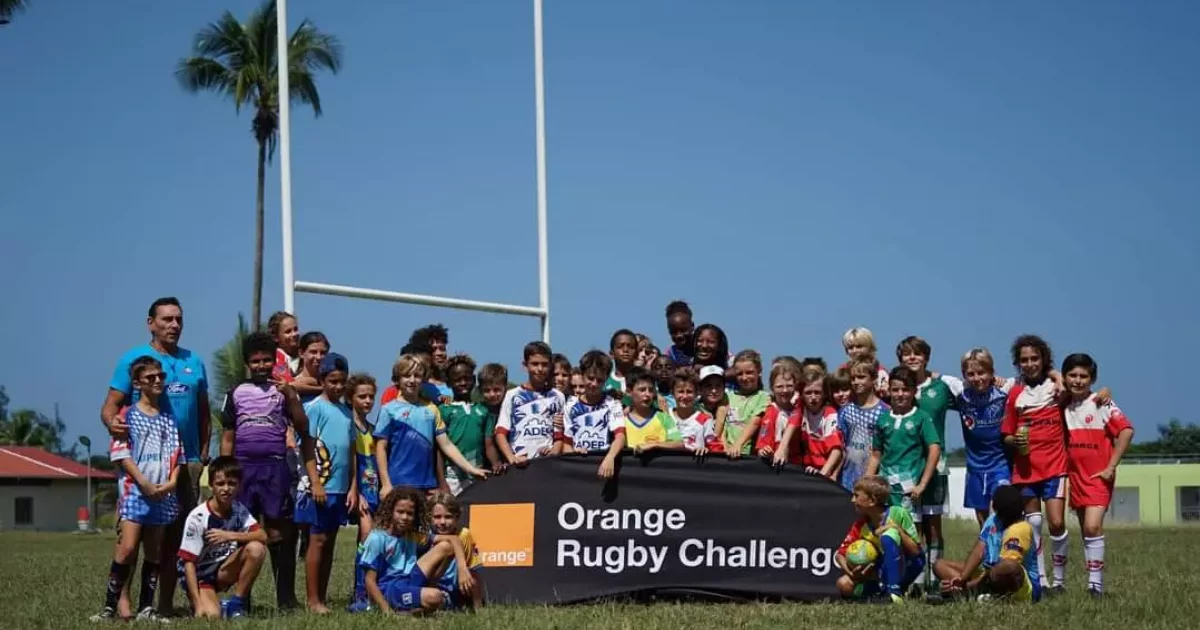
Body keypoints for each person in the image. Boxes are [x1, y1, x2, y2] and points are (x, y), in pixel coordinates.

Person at [100, 296, 210, 615]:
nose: (174, 325)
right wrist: (113, 423)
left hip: (184, 464)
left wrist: (202, 453)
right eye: (166, 319)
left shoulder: (195, 361)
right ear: (151, 323)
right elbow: (109, 406)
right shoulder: (133, 359)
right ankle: (121, 603)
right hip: (142, 468)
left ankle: (162, 606)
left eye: (178, 319)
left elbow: (203, 411)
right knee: (132, 539)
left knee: (174, 539)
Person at [219, 331, 316, 610]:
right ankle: (242, 598)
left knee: (280, 532)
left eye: (266, 360)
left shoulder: (282, 390)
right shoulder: (235, 391)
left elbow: (302, 426)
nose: (262, 365)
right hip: (243, 470)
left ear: (274, 360)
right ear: (247, 362)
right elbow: (228, 435)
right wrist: (226, 471)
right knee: (242, 531)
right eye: (256, 361)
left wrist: (292, 395)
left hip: (275, 468)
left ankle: (285, 597)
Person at [91, 356, 182, 622]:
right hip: (136, 492)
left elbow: (178, 454)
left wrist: (172, 482)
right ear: (137, 383)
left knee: (154, 550)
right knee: (128, 548)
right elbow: (121, 454)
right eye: (150, 378)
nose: (157, 382)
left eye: (160, 377)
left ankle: (146, 608)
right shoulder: (126, 416)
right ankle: (109, 607)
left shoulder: (168, 419)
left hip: (163, 493)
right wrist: (142, 481)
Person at [1061, 353, 1133, 597]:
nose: (1078, 380)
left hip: (1098, 477)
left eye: (1084, 376)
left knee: (1093, 527)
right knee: (1085, 532)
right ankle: (1093, 584)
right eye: (1072, 375)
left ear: (1092, 379)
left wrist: (1111, 467)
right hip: (1076, 478)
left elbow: (1126, 431)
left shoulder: (1101, 403)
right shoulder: (1064, 405)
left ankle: (1096, 587)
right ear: (1065, 377)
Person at [1001, 335, 1068, 592]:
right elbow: (1005, 434)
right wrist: (1014, 441)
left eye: (1034, 358)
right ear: (1018, 363)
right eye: (1024, 360)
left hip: (1054, 466)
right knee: (1034, 525)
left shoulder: (1056, 388)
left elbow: (1083, 391)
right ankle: (1040, 578)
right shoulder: (1016, 393)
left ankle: (1060, 580)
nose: (1029, 364)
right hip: (1026, 469)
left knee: (1056, 523)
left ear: (1044, 360)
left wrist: (1058, 376)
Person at [866, 366, 942, 591]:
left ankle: (913, 585)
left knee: (911, 538)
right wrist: (867, 483)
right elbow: (876, 454)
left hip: (910, 492)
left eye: (905, 390)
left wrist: (922, 484)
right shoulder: (883, 420)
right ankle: (887, 582)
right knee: (886, 536)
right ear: (889, 390)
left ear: (913, 392)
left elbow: (934, 449)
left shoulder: (921, 417)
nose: (900, 395)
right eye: (895, 390)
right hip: (886, 492)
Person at [295, 353, 357, 613]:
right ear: (322, 380)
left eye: (342, 382)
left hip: (341, 489)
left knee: (330, 541)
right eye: (332, 381)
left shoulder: (345, 411)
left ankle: (322, 595)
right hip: (321, 487)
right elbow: (307, 449)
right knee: (317, 541)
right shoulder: (315, 408)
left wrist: (353, 487)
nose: (338, 387)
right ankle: (312, 600)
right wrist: (315, 483)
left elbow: (351, 452)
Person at [376, 354, 489, 496]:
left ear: (423, 379)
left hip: (427, 485)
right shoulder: (388, 410)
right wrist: (386, 484)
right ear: (397, 379)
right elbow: (381, 448)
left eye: (417, 376)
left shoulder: (432, 409)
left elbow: (446, 444)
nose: (412, 380)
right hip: (398, 483)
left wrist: (471, 469)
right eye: (406, 375)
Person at [177, 456, 268, 619]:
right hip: (199, 575)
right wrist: (197, 604)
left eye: (232, 483)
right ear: (211, 486)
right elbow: (188, 564)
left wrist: (229, 535)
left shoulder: (238, 509)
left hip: (222, 569)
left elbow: (262, 535)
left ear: (239, 486)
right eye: (220, 484)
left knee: (257, 548)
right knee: (211, 616)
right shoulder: (198, 517)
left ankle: (236, 604)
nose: (226, 489)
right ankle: (205, 602)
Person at [895, 336, 953, 590]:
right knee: (913, 525)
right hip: (909, 468)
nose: (912, 358)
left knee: (933, 525)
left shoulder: (943, 385)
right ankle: (917, 581)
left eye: (917, 353)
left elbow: (975, 394)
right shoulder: (898, 387)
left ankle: (936, 577)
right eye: (907, 354)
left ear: (926, 357)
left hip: (936, 466)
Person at [359, 488, 466, 616]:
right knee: (436, 597)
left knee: (446, 546)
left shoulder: (412, 535)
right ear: (390, 511)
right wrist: (387, 613)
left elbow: (453, 539)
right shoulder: (377, 538)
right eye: (400, 512)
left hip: (409, 580)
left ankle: (417, 603)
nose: (405, 517)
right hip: (390, 588)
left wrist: (463, 569)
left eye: (409, 513)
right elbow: (369, 581)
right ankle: (406, 609)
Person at [933, 485, 1040, 602]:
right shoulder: (993, 519)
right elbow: (979, 549)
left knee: (1009, 568)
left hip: (1019, 585)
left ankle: (967, 593)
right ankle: (974, 593)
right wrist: (962, 577)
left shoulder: (1020, 528)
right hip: (986, 573)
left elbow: (1006, 567)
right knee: (939, 565)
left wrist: (970, 585)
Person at [835, 475, 924, 603]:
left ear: (872, 500)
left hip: (908, 564)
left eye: (856, 495)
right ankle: (877, 592)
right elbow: (840, 555)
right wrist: (852, 573)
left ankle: (894, 592)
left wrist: (897, 528)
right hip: (879, 569)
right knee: (843, 584)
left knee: (889, 535)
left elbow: (916, 553)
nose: (852, 500)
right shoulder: (861, 524)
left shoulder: (898, 513)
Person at [954, 348, 1015, 526]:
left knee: (1003, 512)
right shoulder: (961, 396)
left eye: (982, 373)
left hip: (1001, 465)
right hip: (975, 467)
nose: (977, 378)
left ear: (991, 373)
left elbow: (1033, 378)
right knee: (983, 520)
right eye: (971, 374)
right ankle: (988, 553)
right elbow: (935, 379)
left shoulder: (1004, 392)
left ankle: (1006, 551)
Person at [494, 342, 567, 467]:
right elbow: (500, 432)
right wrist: (511, 458)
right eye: (534, 364)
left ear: (550, 366)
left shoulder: (558, 396)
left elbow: (559, 434)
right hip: (521, 465)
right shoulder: (512, 395)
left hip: (548, 465)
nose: (539, 369)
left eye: (544, 364)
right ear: (525, 365)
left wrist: (554, 451)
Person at [560, 353, 627, 478]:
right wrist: (574, 452)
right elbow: (567, 445)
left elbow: (620, 437)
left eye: (600, 380)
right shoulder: (570, 405)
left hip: (605, 466)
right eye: (590, 378)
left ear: (606, 378)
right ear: (582, 375)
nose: (594, 384)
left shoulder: (613, 404)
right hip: (579, 469)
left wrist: (610, 457)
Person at [345, 372, 379, 612]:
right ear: (351, 398)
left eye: (371, 397)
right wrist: (357, 492)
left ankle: (370, 589)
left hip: (376, 488)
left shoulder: (373, 428)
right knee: (367, 539)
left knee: (373, 540)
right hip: (360, 492)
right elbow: (350, 463)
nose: (367, 401)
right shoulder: (347, 425)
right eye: (362, 397)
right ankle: (360, 592)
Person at [437, 355, 490, 495]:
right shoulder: (443, 410)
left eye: (466, 378)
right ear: (448, 383)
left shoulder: (483, 410)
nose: (463, 383)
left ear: (474, 380)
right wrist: (442, 482)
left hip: (478, 474)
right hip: (452, 478)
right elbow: (439, 451)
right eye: (457, 380)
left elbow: (488, 444)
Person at [778, 368, 843, 479]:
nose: (813, 397)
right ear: (802, 394)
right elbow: (792, 423)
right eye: (808, 393)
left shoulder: (829, 413)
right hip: (805, 467)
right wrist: (782, 448)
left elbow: (836, 450)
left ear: (824, 394)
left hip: (824, 469)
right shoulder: (801, 408)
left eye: (817, 392)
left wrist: (823, 474)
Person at [837, 358, 888, 492]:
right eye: (853, 378)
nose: (856, 382)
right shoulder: (845, 411)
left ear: (874, 378)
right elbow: (841, 446)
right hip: (847, 478)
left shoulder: (885, 412)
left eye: (861, 377)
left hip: (875, 480)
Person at [429, 492, 484, 610]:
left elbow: (473, 572)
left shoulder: (463, 535)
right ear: (430, 517)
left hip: (453, 590)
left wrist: (479, 609)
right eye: (437, 517)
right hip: (428, 587)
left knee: (472, 576)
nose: (443, 522)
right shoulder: (425, 535)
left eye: (448, 517)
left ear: (457, 517)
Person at [622, 368, 684, 456]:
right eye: (642, 390)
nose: (647, 394)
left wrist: (655, 445)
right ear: (629, 392)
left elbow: (680, 444)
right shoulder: (621, 420)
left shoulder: (664, 418)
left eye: (651, 390)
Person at [722, 350, 770, 457]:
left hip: (747, 456)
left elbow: (755, 422)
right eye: (739, 374)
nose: (744, 378)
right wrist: (724, 447)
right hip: (726, 453)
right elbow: (721, 425)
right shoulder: (727, 396)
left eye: (749, 372)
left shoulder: (764, 397)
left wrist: (738, 445)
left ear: (759, 371)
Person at [757, 361, 803, 466]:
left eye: (789, 385)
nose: (785, 390)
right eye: (779, 386)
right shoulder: (771, 412)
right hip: (779, 466)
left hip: (800, 466)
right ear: (772, 388)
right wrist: (765, 452)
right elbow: (762, 447)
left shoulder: (801, 408)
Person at [668, 367, 721, 455]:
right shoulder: (665, 416)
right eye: (680, 391)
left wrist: (708, 450)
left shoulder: (705, 420)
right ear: (672, 393)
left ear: (697, 393)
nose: (685, 396)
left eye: (689, 392)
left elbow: (716, 449)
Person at [840, 327, 889, 398]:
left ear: (870, 347)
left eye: (859, 346)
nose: (854, 350)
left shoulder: (879, 371)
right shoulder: (843, 370)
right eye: (850, 347)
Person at [477, 363, 509, 473]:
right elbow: (487, 443)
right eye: (486, 390)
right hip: (486, 465)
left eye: (497, 390)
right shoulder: (480, 411)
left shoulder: (510, 408)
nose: (492, 394)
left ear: (505, 387)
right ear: (480, 390)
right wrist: (496, 462)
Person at [291, 332, 330, 404]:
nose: (318, 357)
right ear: (301, 353)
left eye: (323, 353)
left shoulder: (332, 384)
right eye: (313, 352)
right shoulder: (292, 381)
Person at [266, 311, 301, 383]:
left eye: (295, 329)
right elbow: (289, 384)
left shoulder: (305, 354)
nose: (294, 334)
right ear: (275, 337)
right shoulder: (275, 358)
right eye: (288, 331)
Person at [606, 329, 638, 395]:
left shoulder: (645, 380)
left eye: (631, 347)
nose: (625, 350)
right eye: (620, 347)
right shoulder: (603, 381)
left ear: (636, 354)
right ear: (611, 354)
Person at [664, 300, 696, 366]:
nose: (679, 335)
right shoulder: (670, 355)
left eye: (683, 330)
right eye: (673, 331)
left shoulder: (704, 349)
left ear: (692, 326)